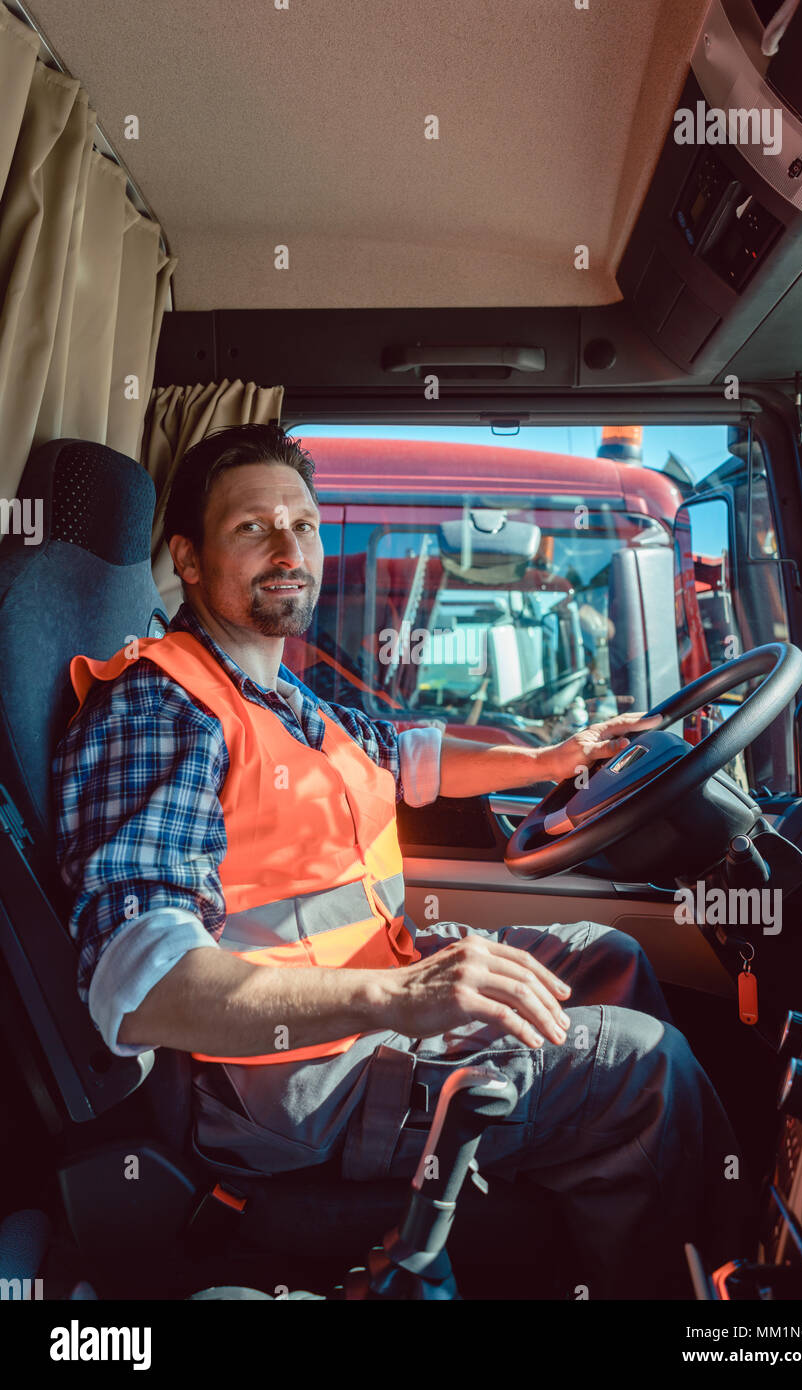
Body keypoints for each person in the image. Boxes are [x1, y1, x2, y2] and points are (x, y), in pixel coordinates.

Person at [53, 423, 746, 1298]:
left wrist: (547, 759)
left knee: (606, 956)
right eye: (252, 528)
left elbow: (399, 752)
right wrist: (397, 997)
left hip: (353, 1013)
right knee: (640, 1069)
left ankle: (582, 1216)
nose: (288, 548)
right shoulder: (161, 709)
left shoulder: (267, 686)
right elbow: (139, 987)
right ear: (187, 560)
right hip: (287, 1088)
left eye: (302, 525)